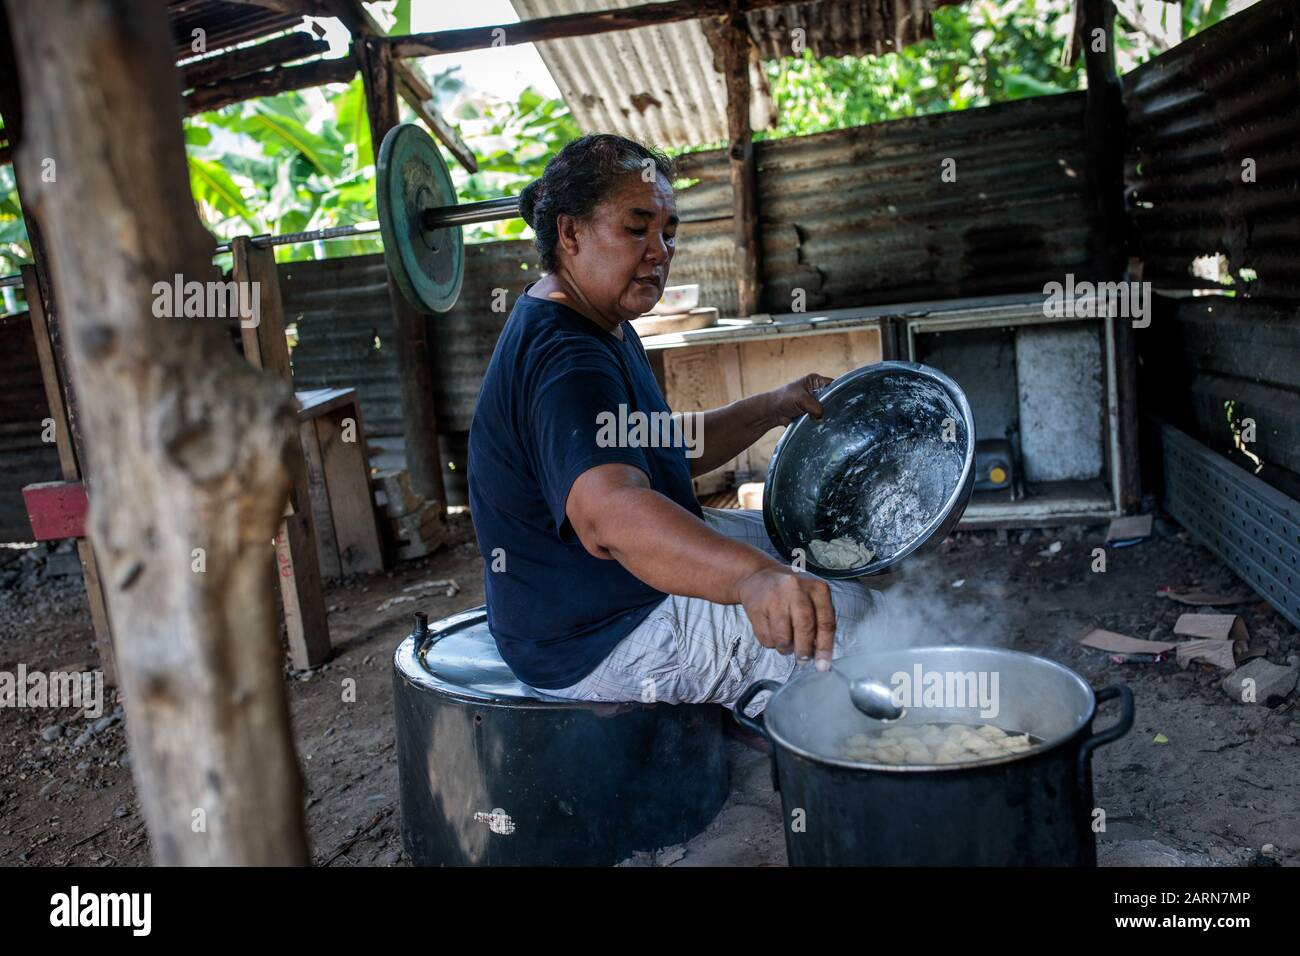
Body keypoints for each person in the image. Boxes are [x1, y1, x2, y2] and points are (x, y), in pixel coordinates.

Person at [467, 133, 876, 712]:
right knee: (852, 626)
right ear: (570, 233)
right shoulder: (566, 357)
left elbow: (660, 446)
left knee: (833, 551)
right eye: (637, 228)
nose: (659, 250)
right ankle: (837, 776)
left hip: (608, 597)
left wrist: (770, 407)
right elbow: (610, 515)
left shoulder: (599, 319)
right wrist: (749, 580)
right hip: (595, 637)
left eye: (668, 231)